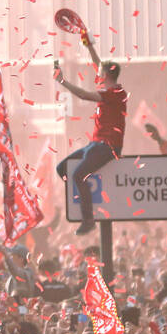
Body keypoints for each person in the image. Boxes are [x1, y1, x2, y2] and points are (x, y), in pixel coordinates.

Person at [54, 34, 127, 235]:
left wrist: (63, 82)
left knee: (78, 174)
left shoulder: (115, 93)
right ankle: (83, 199)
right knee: (62, 169)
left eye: (101, 72)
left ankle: (88, 218)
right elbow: (98, 63)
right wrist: (89, 46)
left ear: (108, 75)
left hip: (108, 146)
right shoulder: (107, 85)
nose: (98, 72)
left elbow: (84, 95)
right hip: (96, 143)